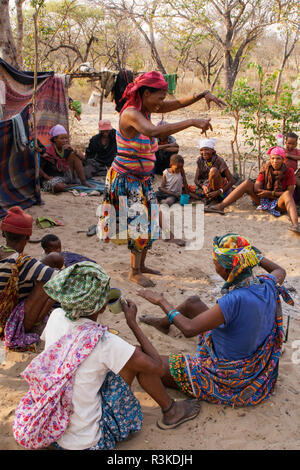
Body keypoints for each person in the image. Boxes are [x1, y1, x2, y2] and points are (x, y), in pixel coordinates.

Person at [13, 262, 201, 450]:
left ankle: (171, 409)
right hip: (88, 443)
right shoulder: (104, 341)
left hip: (52, 429)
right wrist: (132, 323)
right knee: (137, 355)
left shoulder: (56, 316)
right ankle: (171, 410)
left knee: (124, 357)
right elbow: (158, 367)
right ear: (103, 307)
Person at [99, 71, 226, 288]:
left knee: (150, 224)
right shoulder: (131, 113)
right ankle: (134, 271)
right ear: (146, 93)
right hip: (126, 179)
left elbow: (175, 104)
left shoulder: (147, 109)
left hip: (142, 179)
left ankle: (143, 265)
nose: (161, 103)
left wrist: (201, 94)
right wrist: (192, 121)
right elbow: (153, 131)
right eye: (159, 97)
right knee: (139, 224)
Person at [137, 233, 293, 409]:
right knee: (192, 303)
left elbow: (189, 329)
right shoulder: (267, 285)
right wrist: (255, 256)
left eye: (216, 263)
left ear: (228, 269)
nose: (215, 266)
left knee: (149, 363)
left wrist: (161, 302)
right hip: (253, 356)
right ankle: (163, 324)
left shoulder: (234, 299)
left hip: (229, 375)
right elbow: (281, 270)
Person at [0, 207, 58, 350]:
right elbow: (58, 278)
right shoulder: (23, 262)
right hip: (8, 323)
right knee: (46, 283)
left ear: (3, 233)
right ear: (27, 237)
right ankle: (35, 326)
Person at [208, 147, 300, 234]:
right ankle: (221, 206)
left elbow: (290, 193)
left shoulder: (289, 171)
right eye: (273, 158)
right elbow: (256, 188)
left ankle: (295, 225)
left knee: (287, 194)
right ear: (270, 159)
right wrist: (265, 193)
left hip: (279, 203)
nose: (275, 161)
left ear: (283, 159)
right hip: (263, 199)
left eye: (278, 159)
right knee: (247, 183)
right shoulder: (266, 168)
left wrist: (271, 193)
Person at [40, 125, 93, 193]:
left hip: (64, 176)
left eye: (66, 138)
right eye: (62, 138)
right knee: (59, 187)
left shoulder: (66, 148)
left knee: (74, 155)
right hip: (52, 178)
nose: (65, 141)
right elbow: (39, 167)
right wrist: (46, 177)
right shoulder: (47, 150)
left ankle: (83, 182)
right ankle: (69, 186)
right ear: (55, 139)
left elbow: (84, 158)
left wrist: (74, 150)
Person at [192, 138, 234, 203]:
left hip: (219, 186)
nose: (204, 152)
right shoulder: (200, 160)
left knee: (213, 171)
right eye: (201, 150)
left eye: (206, 149)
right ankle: (208, 196)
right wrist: (203, 187)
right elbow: (196, 180)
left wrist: (219, 191)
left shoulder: (219, 161)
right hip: (206, 186)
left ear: (212, 151)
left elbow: (231, 181)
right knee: (184, 189)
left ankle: (214, 196)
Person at [284, 132, 300, 203]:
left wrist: (289, 156)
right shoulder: (284, 151)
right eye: (289, 143)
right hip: (284, 172)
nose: (290, 146)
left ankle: (293, 198)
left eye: (293, 144)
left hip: (294, 172)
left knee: (293, 183)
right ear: (285, 142)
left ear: (296, 144)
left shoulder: (296, 151)